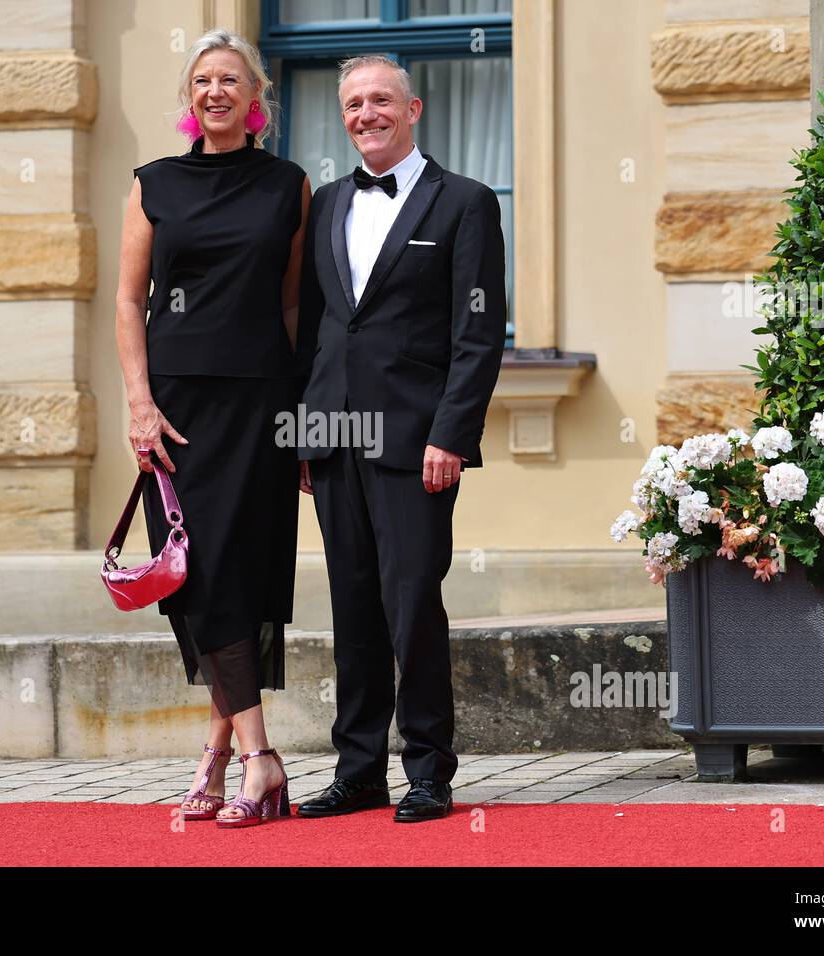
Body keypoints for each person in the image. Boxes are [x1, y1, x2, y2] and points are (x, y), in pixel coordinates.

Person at [294, 55, 506, 822]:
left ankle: (429, 771)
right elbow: (317, 329)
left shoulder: (467, 203)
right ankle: (357, 771)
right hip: (334, 434)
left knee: (412, 603)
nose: (365, 114)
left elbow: (477, 334)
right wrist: (304, 432)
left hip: (418, 440)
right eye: (353, 103)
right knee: (351, 607)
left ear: (413, 109)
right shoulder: (325, 208)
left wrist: (452, 432)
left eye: (380, 100)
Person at [114, 29, 310, 828]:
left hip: (261, 404)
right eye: (202, 80)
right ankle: (257, 758)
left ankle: (226, 754)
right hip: (177, 411)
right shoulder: (152, 183)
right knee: (193, 576)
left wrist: (300, 416)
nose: (216, 91)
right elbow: (129, 301)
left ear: (255, 97)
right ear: (190, 98)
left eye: (231, 79)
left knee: (240, 572)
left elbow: (294, 306)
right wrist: (137, 401)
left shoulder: (288, 184)